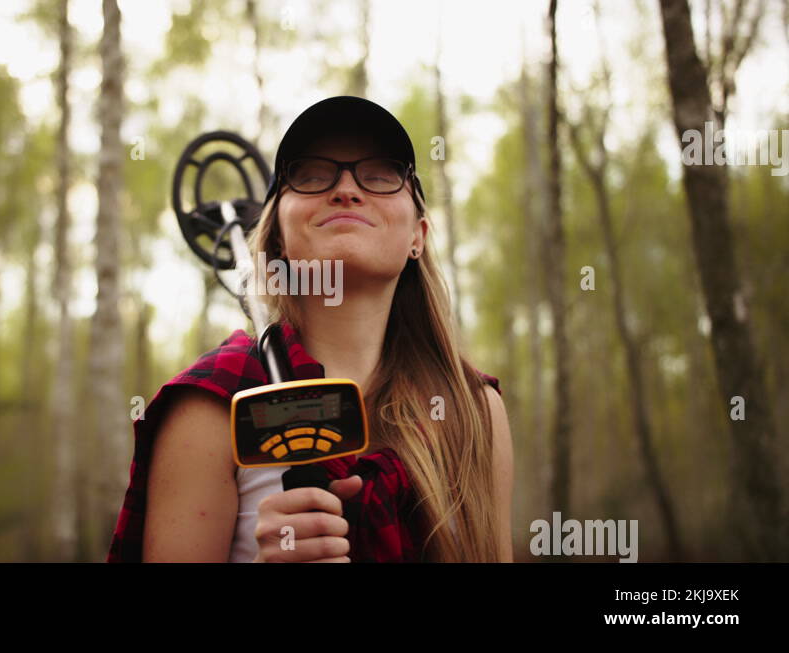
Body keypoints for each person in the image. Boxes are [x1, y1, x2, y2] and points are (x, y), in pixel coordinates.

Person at [106, 96, 513, 563]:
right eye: (312, 174)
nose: (345, 189)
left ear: (417, 236)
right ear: (277, 233)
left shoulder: (475, 410)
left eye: (380, 174)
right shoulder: (213, 405)